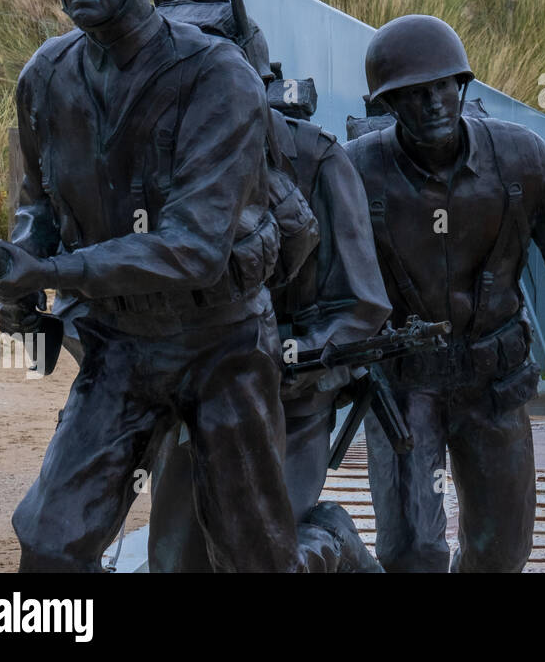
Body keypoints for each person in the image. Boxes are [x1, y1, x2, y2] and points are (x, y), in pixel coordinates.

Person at [0, 0, 368, 573]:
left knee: (253, 559)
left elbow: (193, 248)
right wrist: (19, 268)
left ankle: (328, 540)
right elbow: (39, 203)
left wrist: (51, 273)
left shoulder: (216, 77)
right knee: (50, 547)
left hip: (221, 340)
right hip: (118, 344)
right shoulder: (45, 76)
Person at [344, 14, 545, 572]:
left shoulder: (524, 159)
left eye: (444, 87)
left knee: (500, 552)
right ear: (388, 105)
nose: (435, 103)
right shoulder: (356, 173)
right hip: (404, 388)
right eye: (415, 94)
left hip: (494, 383)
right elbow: (321, 283)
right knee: (411, 553)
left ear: (462, 86)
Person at [147, 38, 392, 573]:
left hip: (290, 404)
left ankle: (332, 539)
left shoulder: (317, 161)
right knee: (175, 564)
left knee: (262, 558)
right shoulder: (154, 166)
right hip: (192, 401)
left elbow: (363, 307)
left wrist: (297, 352)